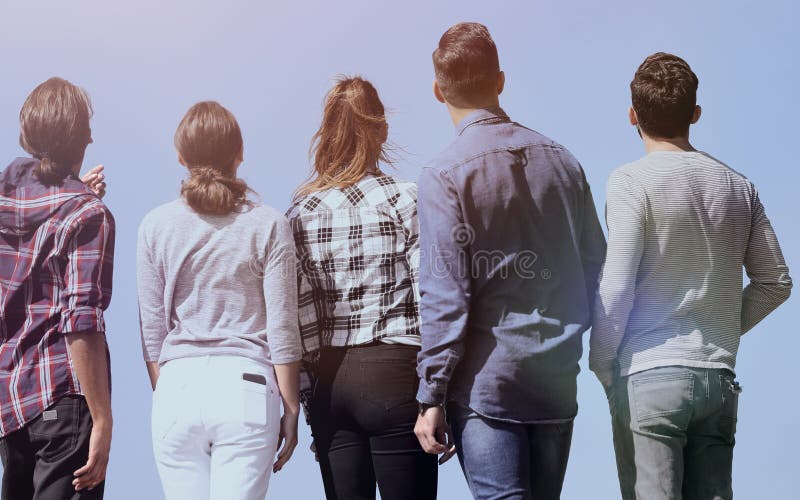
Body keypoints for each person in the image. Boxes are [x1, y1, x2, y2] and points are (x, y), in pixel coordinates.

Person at [414, 22, 607, 500]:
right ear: (501, 81)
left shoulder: (443, 175)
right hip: (557, 381)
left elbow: (446, 295)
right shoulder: (564, 162)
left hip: (489, 387)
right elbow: (597, 267)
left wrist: (431, 394)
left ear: (438, 91)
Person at [589, 52, 792, 500]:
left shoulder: (629, 181)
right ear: (695, 114)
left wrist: (602, 362)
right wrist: (715, 326)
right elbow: (776, 281)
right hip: (717, 380)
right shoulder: (740, 186)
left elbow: (617, 285)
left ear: (632, 115)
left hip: (648, 375)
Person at [136, 101, 302, 500]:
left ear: (180, 156)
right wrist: (292, 407)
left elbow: (152, 330)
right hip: (246, 385)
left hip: (176, 387)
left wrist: (171, 389)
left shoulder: (155, 226)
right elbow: (282, 325)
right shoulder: (269, 224)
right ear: (239, 154)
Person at [288, 76, 437, 500]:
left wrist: (311, 401)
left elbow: (301, 319)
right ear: (382, 129)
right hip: (397, 375)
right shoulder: (406, 199)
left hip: (331, 385)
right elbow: (429, 298)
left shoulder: (300, 213)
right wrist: (436, 393)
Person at [0, 77, 114, 499]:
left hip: (10, 406)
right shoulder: (87, 214)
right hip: (63, 398)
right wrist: (102, 419)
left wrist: (76, 189)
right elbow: (81, 320)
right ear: (81, 138)